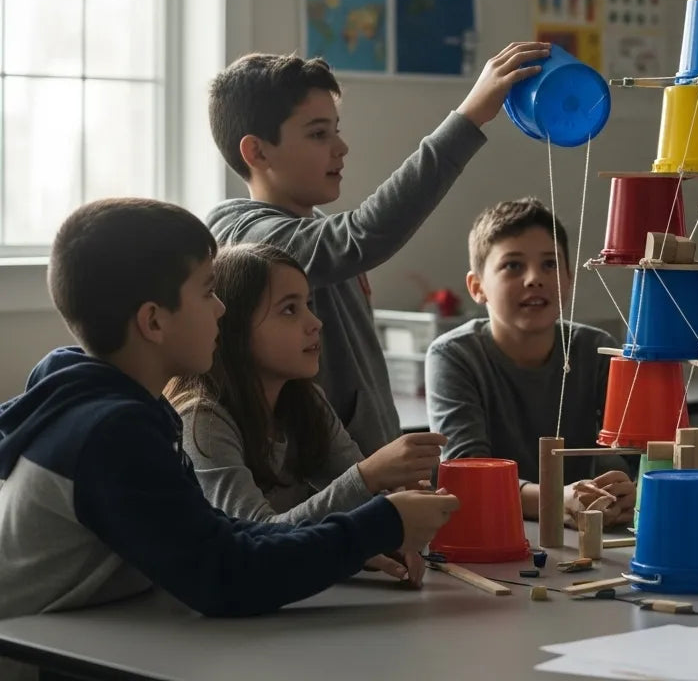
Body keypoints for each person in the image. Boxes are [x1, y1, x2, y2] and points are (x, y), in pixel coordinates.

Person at [0, 199, 457, 620]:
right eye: (207, 292)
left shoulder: (120, 408)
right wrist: (381, 523)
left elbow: (226, 533)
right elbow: (227, 576)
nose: (222, 310)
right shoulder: (108, 432)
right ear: (154, 321)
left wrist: (353, 538)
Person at [206, 41, 550, 454]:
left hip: (370, 481)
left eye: (336, 129)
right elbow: (365, 234)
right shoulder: (248, 237)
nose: (340, 147)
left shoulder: (313, 230)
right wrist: (470, 116)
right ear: (257, 151)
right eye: (318, 133)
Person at [168, 243, 448, 523]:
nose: (315, 323)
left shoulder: (305, 400)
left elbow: (361, 501)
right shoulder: (202, 422)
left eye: (308, 304)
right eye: (290, 309)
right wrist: (369, 476)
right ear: (234, 326)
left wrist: (399, 507)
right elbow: (255, 538)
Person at [426, 198, 632, 527]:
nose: (535, 278)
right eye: (513, 265)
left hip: (579, 533)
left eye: (549, 264)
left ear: (568, 280)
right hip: (494, 531)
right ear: (477, 287)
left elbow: (643, 453)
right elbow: (468, 474)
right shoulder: (453, 356)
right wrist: (557, 500)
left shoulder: (597, 350)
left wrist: (630, 492)